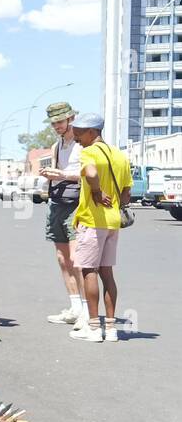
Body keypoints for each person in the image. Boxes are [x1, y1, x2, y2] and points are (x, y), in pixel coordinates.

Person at [67, 113, 130, 343]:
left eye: (78, 135)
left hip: (92, 222)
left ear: (92, 132)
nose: (76, 140)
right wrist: (113, 201)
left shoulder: (90, 152)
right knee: (107, 273)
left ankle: (93, 328)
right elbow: (126, 193)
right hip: (113, 223)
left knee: (88, 271)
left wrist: (95, 191)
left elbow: (91, 173)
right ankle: (111, 328)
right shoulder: (120, 156)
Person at [38, 102, 87, 328]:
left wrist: (62, 174)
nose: (56, 126)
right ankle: (75, 307)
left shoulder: (83, 144)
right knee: (62, 259)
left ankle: (87, 311)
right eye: (54, 122)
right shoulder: (57, 145)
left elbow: (90, 173)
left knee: (78, 259)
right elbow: (58, 172)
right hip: (57, 201)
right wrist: (49, 176)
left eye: (60, 121)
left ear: (71, 118)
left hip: (77, 203)